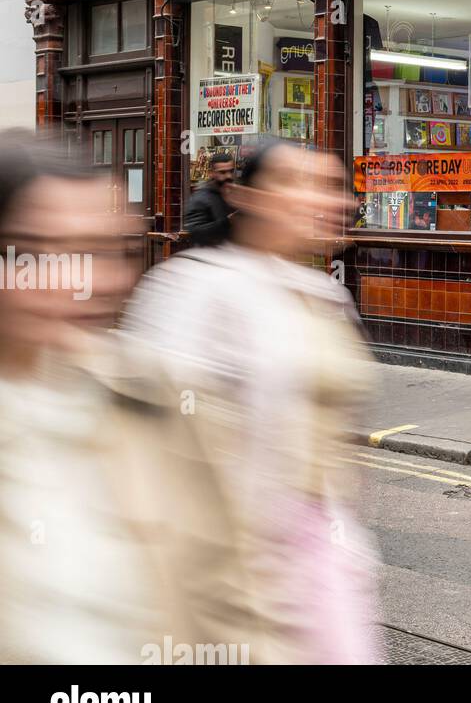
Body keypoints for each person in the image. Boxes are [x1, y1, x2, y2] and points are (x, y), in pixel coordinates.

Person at [0, 132, 261, 663]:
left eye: (102, 250)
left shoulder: (162, 399)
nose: (85, 280)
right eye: (41, 252)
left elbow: (232, 604)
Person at [123, 140, 382, 663]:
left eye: (334, 187)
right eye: (299, 183)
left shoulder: (329, 296)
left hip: (320, 559)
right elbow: (146, 451)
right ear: (246, 195)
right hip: (229, 563)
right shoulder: (194, 290)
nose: (329, 200)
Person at [184, 149, 235, 247]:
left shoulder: (234, 194)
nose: (228, 176)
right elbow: (196, 233)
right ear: (211, 173)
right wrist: (227, 222)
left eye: (231, 171)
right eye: (222, 172)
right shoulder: (200, 198)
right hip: (210, 256)